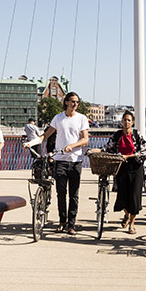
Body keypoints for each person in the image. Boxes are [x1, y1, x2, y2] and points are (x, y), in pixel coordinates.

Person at [39, 92, 89, 235]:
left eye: (77, 102)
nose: (75, 104)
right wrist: (32, 142)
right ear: (66, 102)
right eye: (73, 101)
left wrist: (72, 146)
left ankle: (71, 225)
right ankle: (62, 221)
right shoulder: (58, 118)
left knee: (74, 194)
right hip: (60, 160)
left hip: (75, 161)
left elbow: (85, 140)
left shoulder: (81, 118)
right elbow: (46, 135)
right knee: (61, 193)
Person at [104, 111, 146, 234]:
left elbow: (144, 151)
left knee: (134, 196)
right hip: (122, 168)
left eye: (129, 120)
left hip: (136, 167)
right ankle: (127, 215)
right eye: (125, 120)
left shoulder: (137, 134)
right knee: (122, 196)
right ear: (121, 121)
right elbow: (109, 148)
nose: (126, 122)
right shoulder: (117, 135)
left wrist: (130, 156)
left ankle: (132, 224)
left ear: (132, 122)